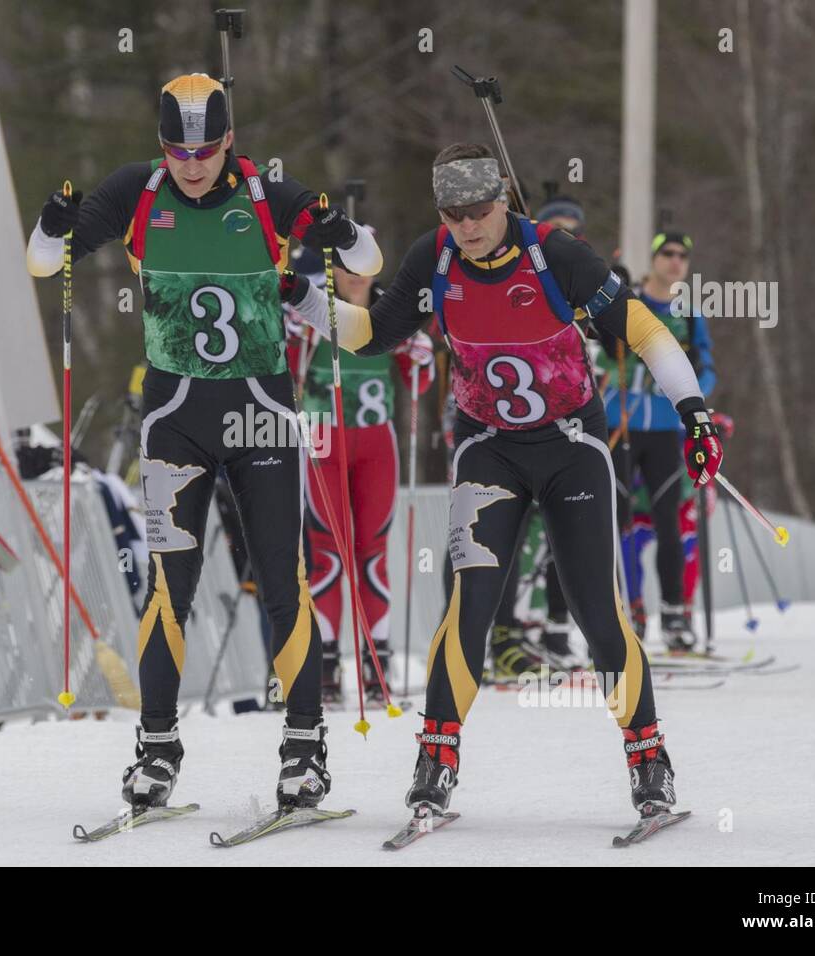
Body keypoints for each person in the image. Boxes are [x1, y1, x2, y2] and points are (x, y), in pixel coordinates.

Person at [282, 144, 722, 819]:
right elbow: (372, 334)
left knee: (594, 608)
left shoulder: (554, 253)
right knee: (470, 605)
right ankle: (436, 759)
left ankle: (648, 757)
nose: (469, 225)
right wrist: (305, 299)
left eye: (480, 211)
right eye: (454, 214)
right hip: (488, 450)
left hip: (572, 448)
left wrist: (692, 413)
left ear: (504, 200)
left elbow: (640, 328)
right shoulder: (434, 257)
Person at [25, 73, 382, 811]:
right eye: (177, 150)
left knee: (283, 581)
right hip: (174, 421)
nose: (192, 164)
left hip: (260, 418)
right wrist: (50, 223)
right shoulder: (136, 193)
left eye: (206, 149)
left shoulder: (267, 198)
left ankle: (303, 751)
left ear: (229, 142)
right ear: (162, 147)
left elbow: (367, 273)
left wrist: (343, 233)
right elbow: (42, 263)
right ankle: (157, 751)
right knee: (168, 587)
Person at [285, 243, 434, 706]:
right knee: (328, 552)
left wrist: (420, 354)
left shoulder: (389, 317)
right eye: (345, 269)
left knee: (373, 553)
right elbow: (286, 373)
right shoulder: (312, 315)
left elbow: (417, 384)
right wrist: (292, 337)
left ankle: (377, 663)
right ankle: (325, 665)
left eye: (363, 269)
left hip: (376, 444)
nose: (356, 277)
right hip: (323, 438)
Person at [597, 229, 716, 649]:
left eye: (682, 255)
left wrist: (694, 387)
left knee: (668, 522)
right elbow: (601, 351)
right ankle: (627, 612)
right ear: (653, 259)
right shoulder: (633, 302)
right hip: (623, 425)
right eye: (666, 253)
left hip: (666, 430)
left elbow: (707, 370)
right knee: (619, 522)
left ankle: (675, 615)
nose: (675, 261)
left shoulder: (688, 312)